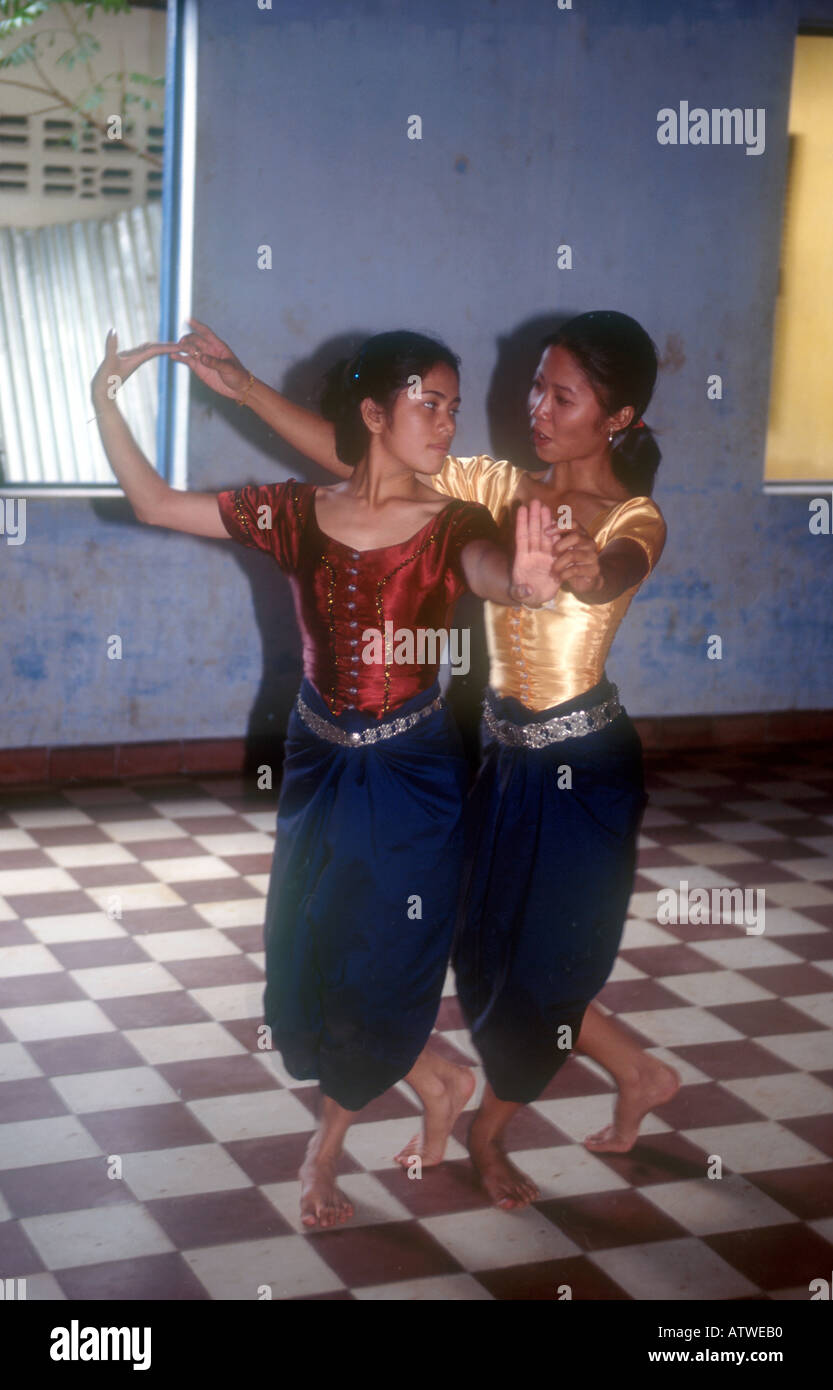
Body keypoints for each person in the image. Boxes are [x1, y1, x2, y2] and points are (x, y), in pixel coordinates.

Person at [167, 312, 680, 1209]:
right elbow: (358, 460)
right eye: (534, 385)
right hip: (491, 755)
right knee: (465, 946)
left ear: (617, 417)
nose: (535, 405)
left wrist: (580, 563)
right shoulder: (490, 487)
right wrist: (242, 386)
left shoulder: (634, 518)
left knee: (541, 963)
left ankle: (489, 1132)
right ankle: (630, 1069)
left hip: (583, 769)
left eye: (560, 394)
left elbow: (613, 569)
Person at [89, 326, 562, 1227]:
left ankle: (325, 1150)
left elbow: (495, 575)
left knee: (386, 948)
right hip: (316, 760)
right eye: (431, 403)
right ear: (374, 414)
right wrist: (104, 403)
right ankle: (437, 1079)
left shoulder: (455, 522)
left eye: (453, 407)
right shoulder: (294, 513)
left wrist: (525, 583)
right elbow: (153, 503)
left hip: (414, 772)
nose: (447, 422)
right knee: (312, 947)